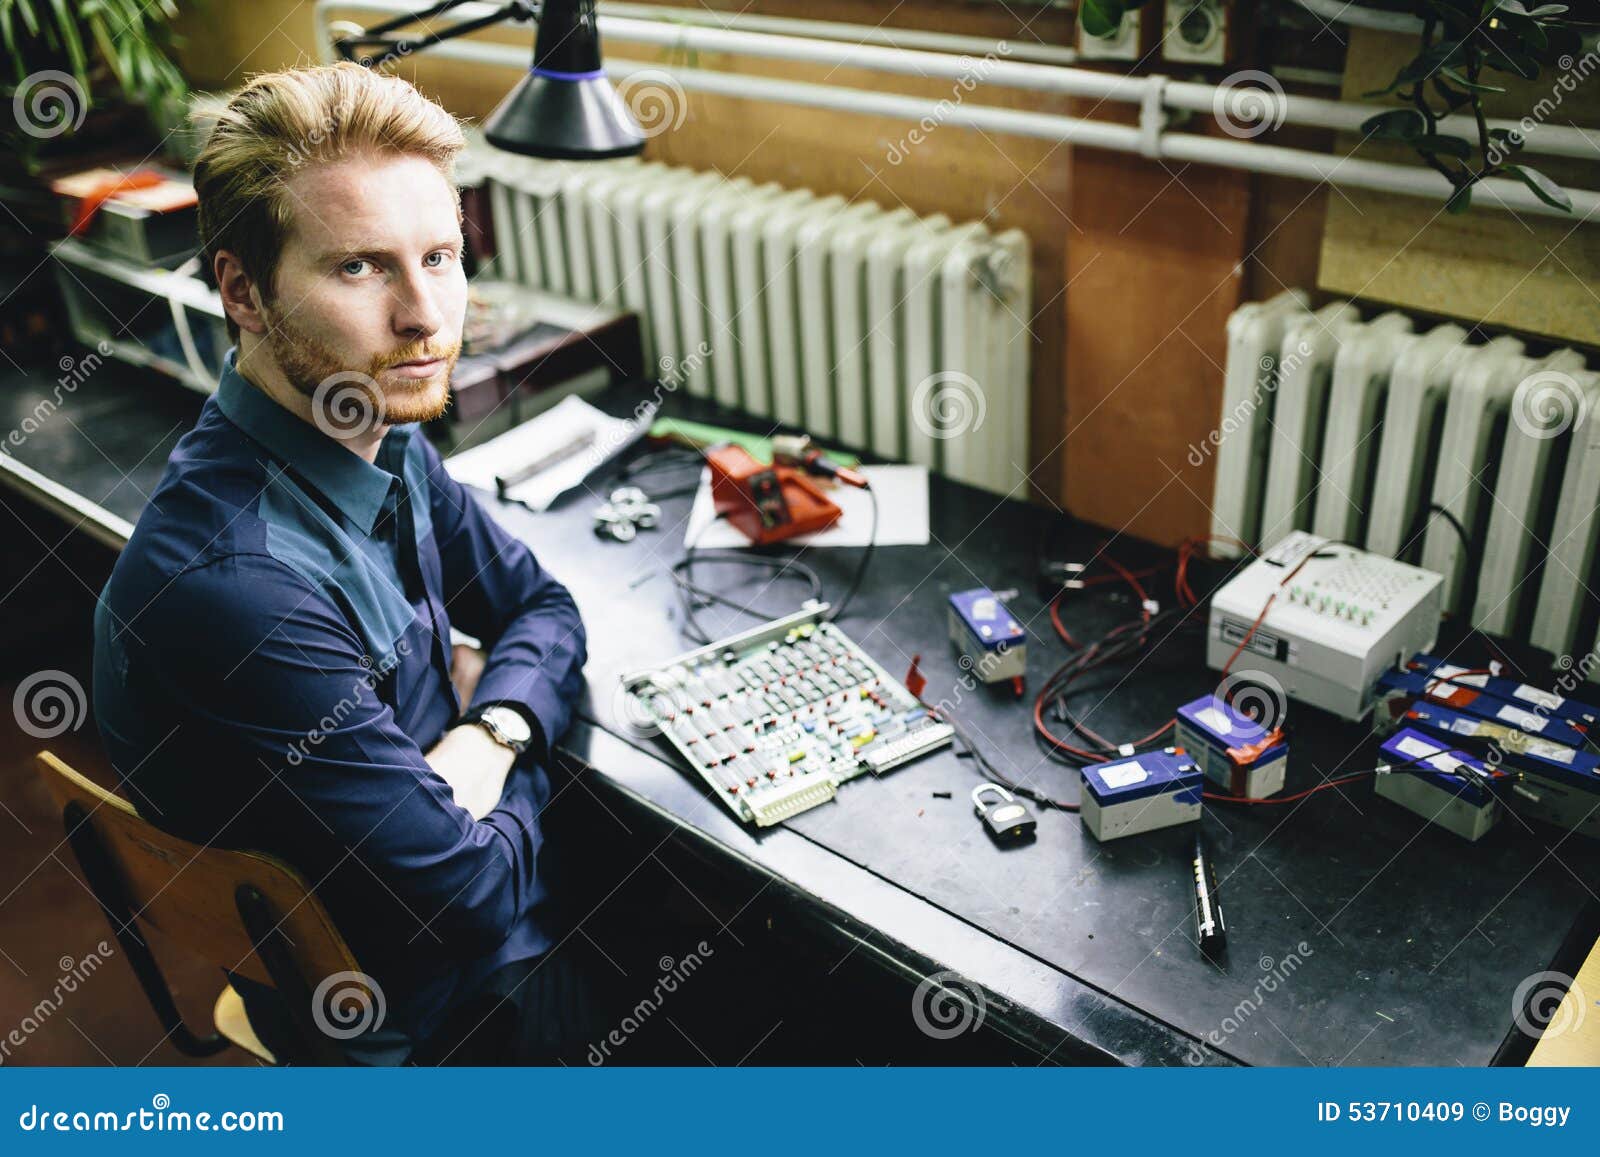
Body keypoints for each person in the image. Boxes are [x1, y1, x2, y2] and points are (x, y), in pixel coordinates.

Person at [92, 62, 593, 1064]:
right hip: (417, 1015)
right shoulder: (236, 588)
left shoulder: (371, 424)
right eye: (360, 267)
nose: (425, 317)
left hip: (453, 900)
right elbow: (477, 897)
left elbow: (542, 601)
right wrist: (515, 721)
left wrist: (490, 730)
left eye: (440, 256)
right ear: (243, 289)